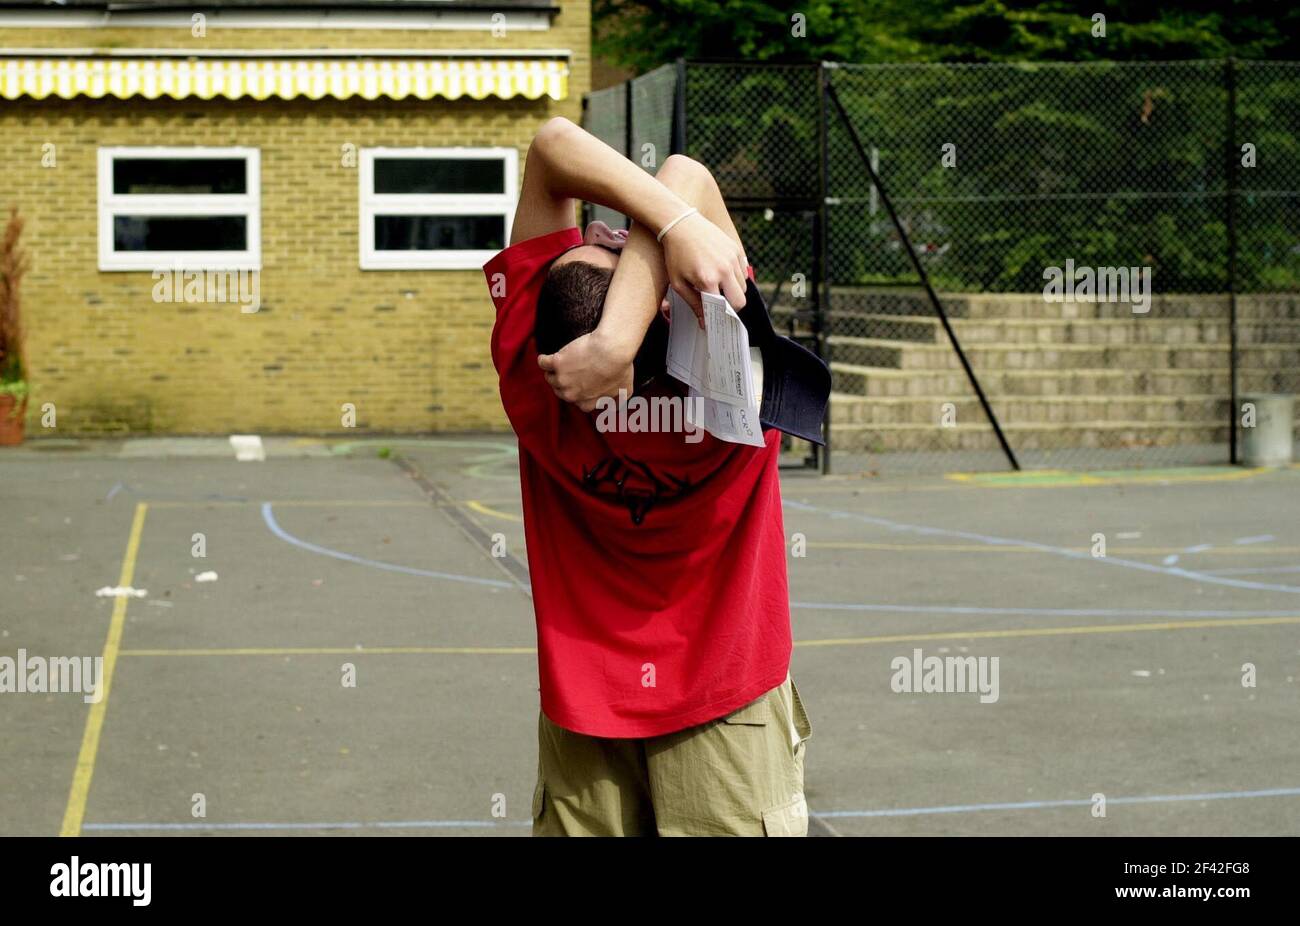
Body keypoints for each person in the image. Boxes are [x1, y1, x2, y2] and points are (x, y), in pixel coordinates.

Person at [483, 116, 828, 836]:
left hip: (587, 710)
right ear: (665, 316)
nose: (619, 231)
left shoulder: (530, 378)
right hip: (727, 702)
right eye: (618, 248)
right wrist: (670, 232)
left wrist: (605, 339)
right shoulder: (732, 395)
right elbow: (684, 175)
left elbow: (548, 149)